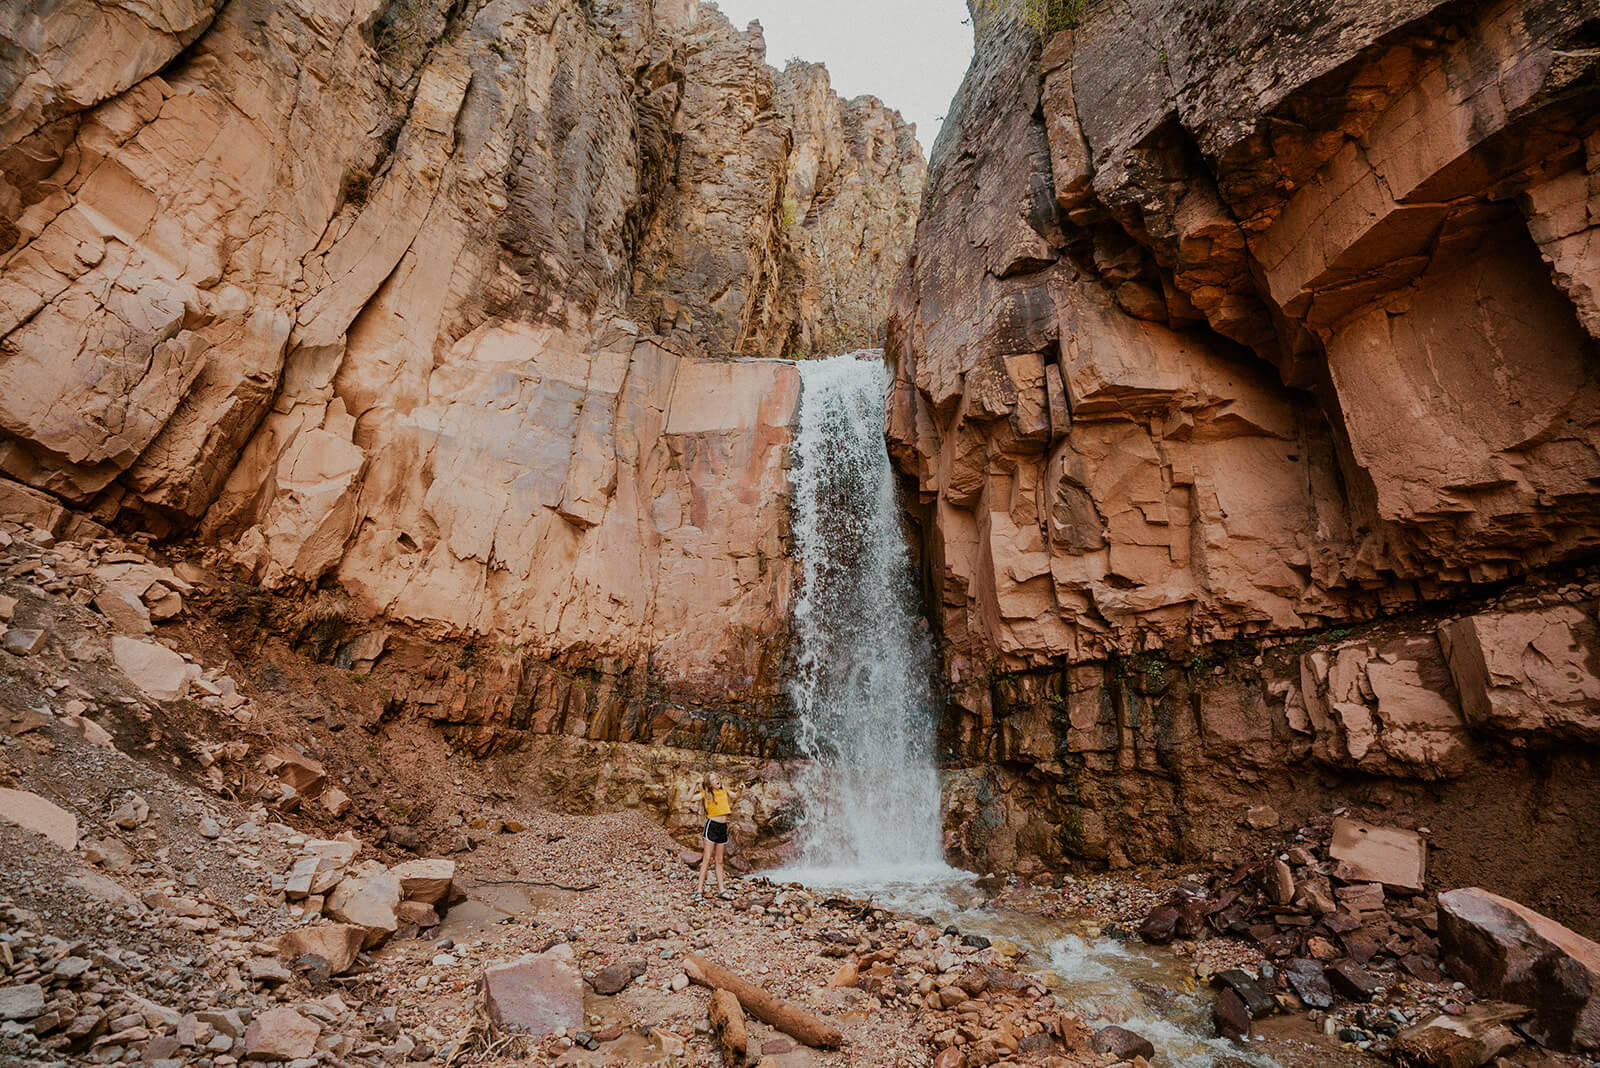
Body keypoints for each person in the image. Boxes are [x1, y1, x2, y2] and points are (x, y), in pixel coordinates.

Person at [694, 772, 736, 902]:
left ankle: (722, 890)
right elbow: (689, 798)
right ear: (709, 784)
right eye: (713, 779)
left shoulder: (724, 791)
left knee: (719, 860)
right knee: (707, 858)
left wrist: (740, 790)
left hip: (723, 827)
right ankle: (699, 891)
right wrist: (695, 784)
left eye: (717, 777)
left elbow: (735, 796)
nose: (717, 780)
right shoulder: (706, 794)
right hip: (711, 826)